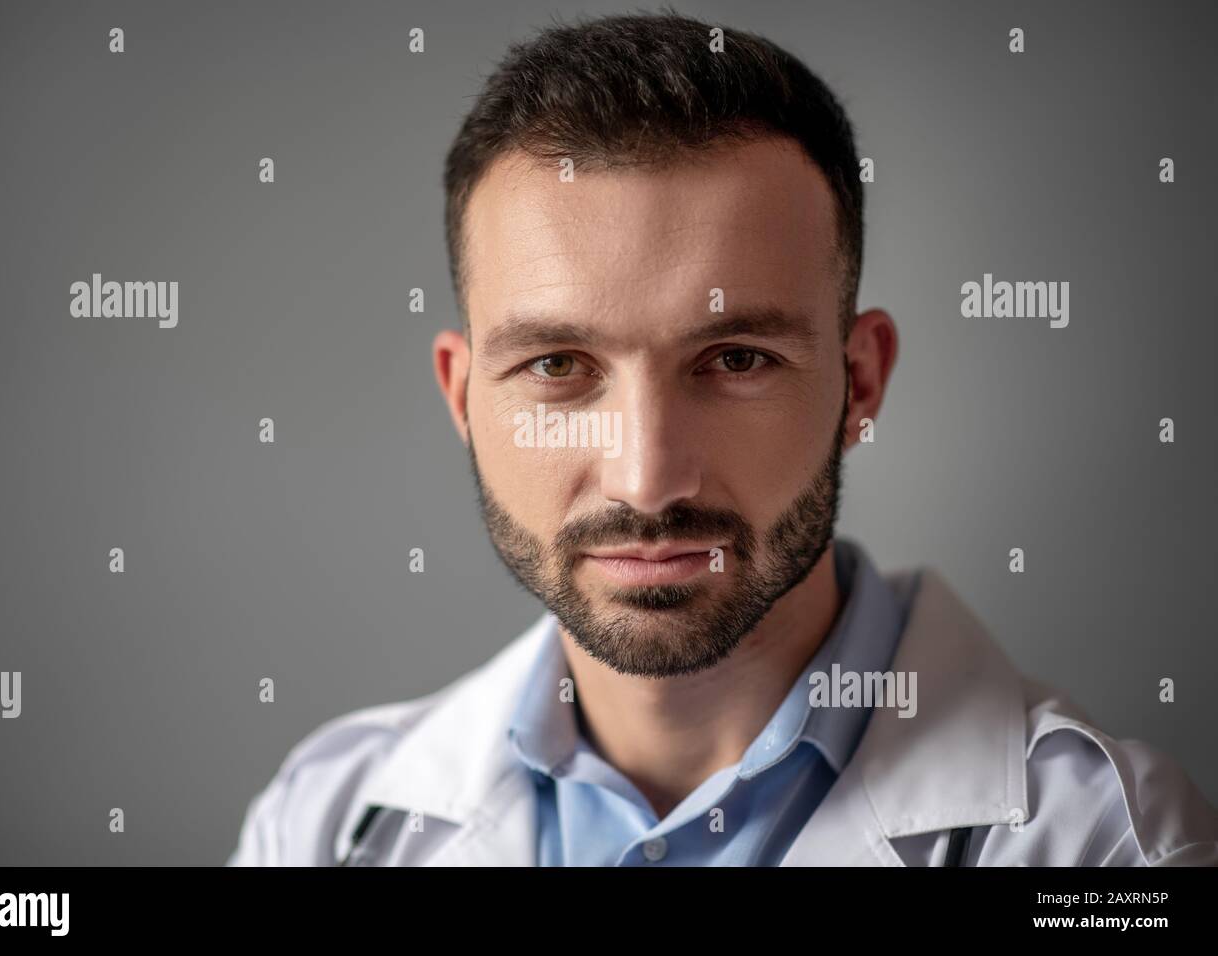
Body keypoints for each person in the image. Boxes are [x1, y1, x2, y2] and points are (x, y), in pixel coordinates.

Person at [227, 12, 1218, 866]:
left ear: (858, 381)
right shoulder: (318, 826)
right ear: (462, 397)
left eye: (735, 359)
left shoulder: (1105, 847)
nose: (648, 475)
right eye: (558, 366)